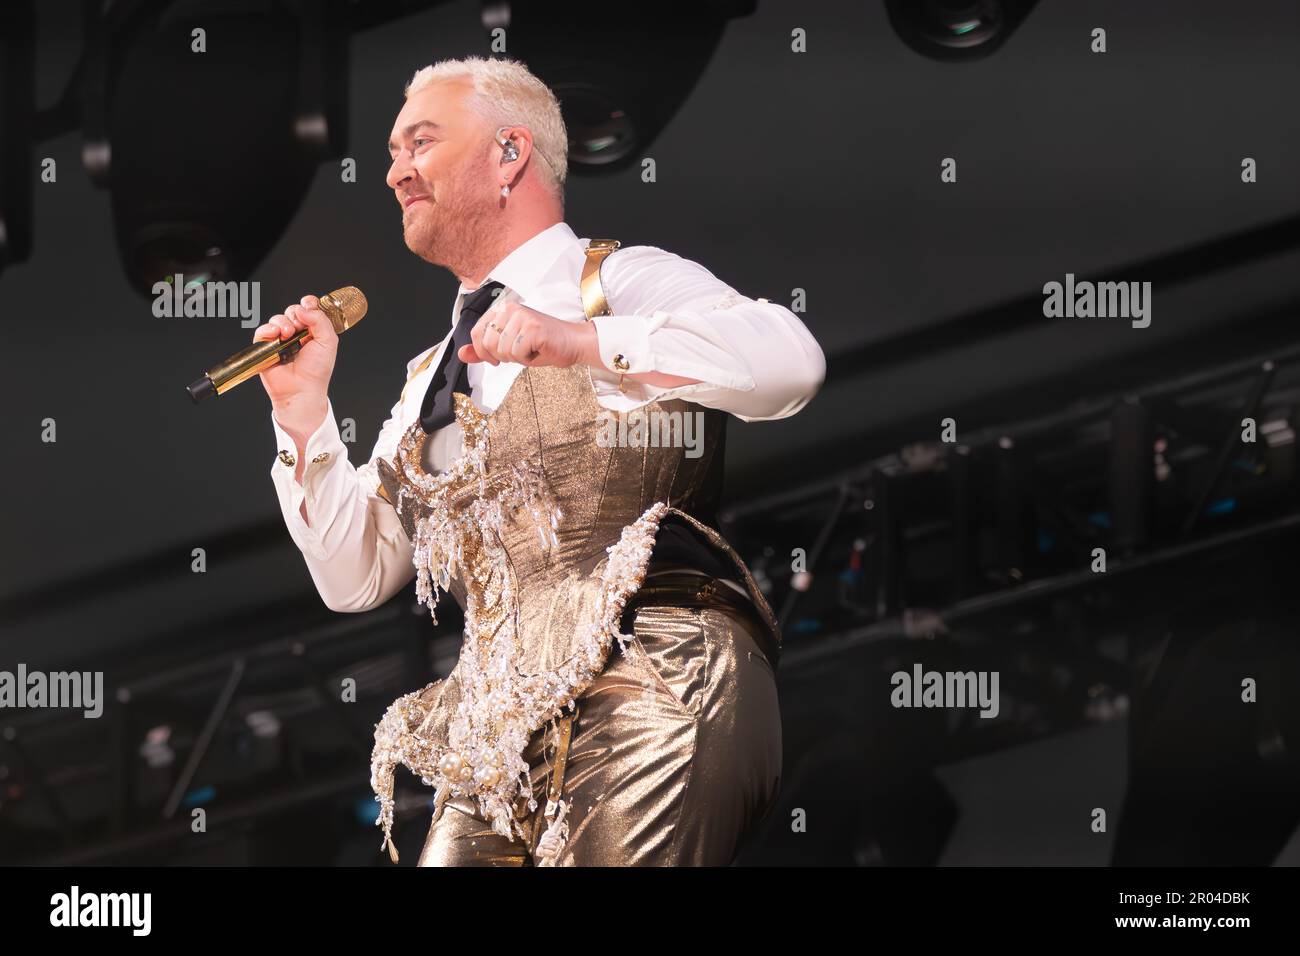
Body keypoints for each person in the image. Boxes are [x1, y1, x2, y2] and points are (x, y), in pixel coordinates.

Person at [254, 56, 825, 865]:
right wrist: (302, 412)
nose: (394, 172)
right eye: (389, 152)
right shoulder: (427, 381)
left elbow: (791, 364)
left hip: (655, 667)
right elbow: (356, 574)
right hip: (498, 735)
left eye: (419, 142)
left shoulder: (618, 282)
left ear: (509, 152)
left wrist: (581, 342)